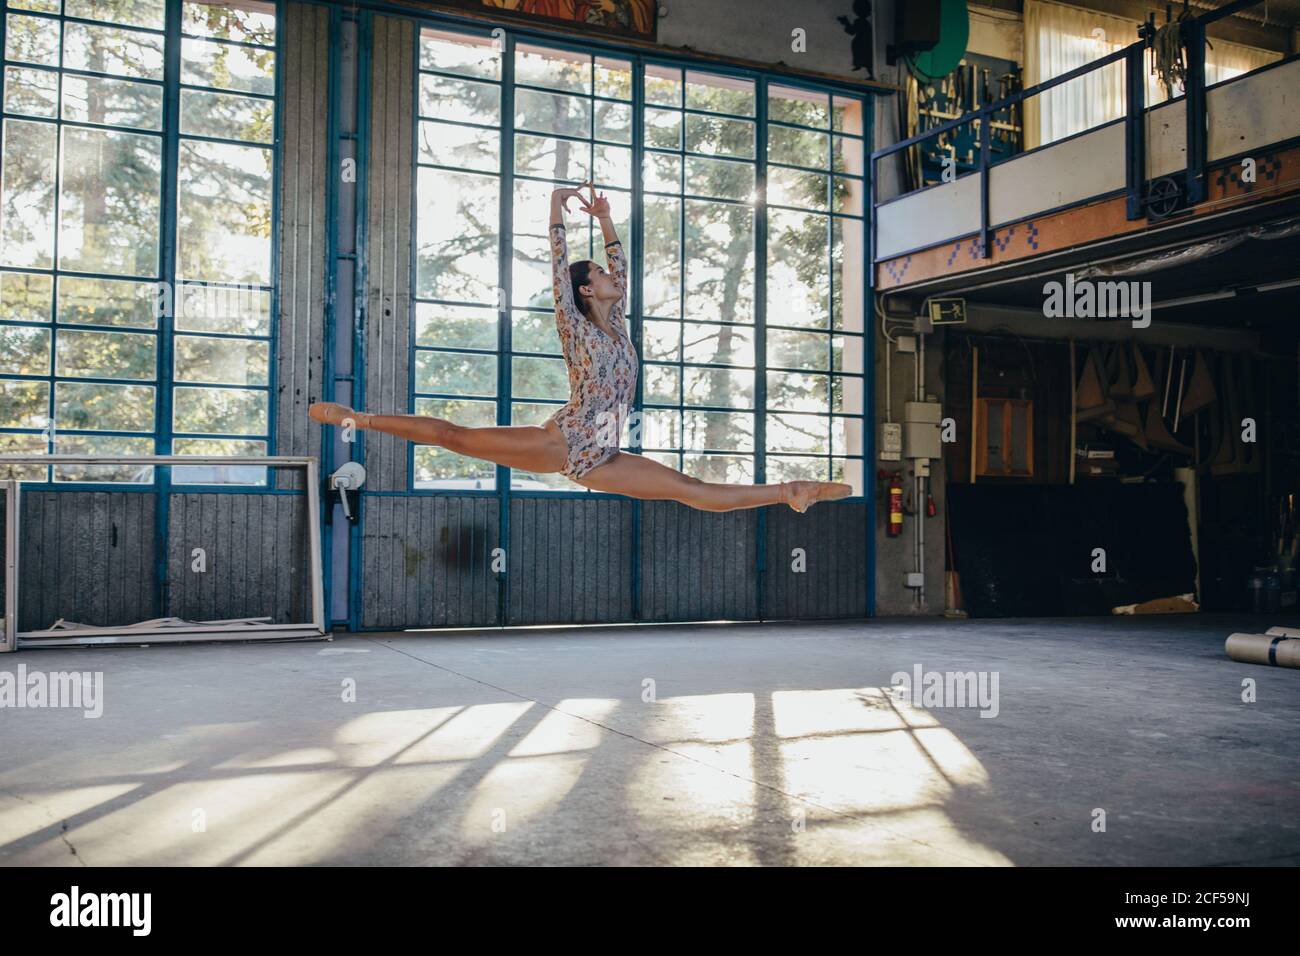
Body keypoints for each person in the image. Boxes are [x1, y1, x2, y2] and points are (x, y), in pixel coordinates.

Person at [309, 182, 852, 513]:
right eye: (597, 272)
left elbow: (623, 267)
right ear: (585, 288)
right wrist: (554, 210)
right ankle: (359, 417)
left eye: (606, 270)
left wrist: (606, 218)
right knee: (457, 437)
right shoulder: (575, 322)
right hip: (566, 442)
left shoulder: (617, 322)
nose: (611, 275)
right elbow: (558, 267)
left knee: (690, 487)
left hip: (605, 454)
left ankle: (790, 490)